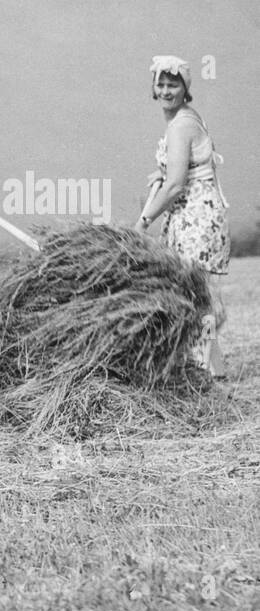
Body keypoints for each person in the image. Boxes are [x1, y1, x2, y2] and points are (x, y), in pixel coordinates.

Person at [137, 55, 230, 377]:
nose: (165, 90)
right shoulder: (182, 120)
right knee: (194, 296)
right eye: (160, 84)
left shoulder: (181, 125)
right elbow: (186, 169)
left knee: (196, 298)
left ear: (185, 88)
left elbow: (177, 184)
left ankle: (211, 372)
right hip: (192, 215)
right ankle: (211, 370)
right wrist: (159, 172)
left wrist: (144, 220)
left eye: (172, 84)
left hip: (197, 219)